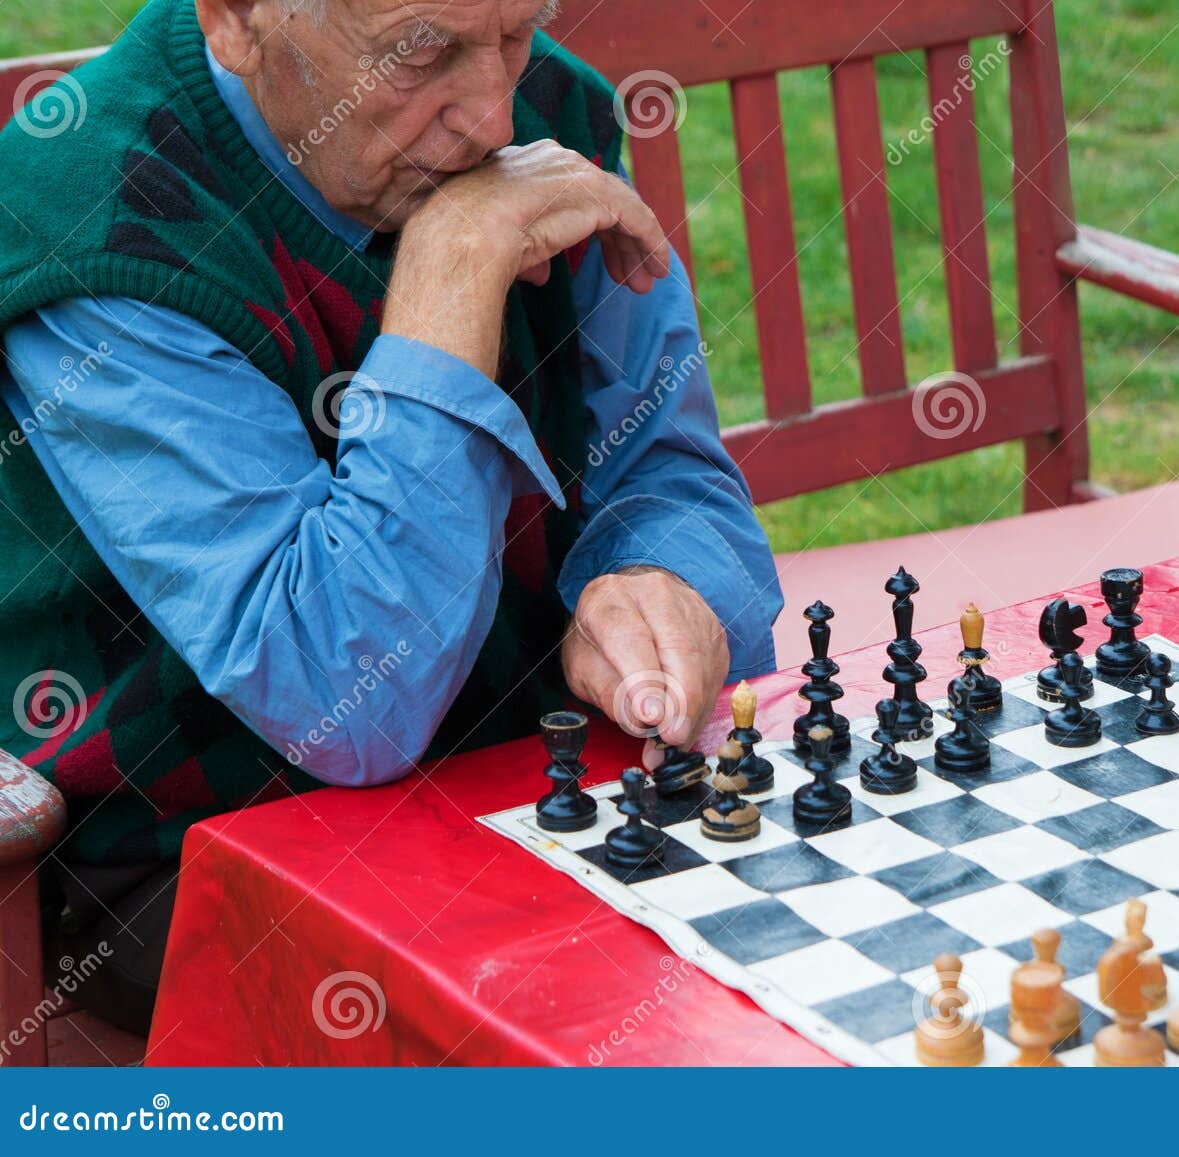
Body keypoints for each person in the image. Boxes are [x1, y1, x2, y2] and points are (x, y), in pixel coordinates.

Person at [0, 0, 781, 1033]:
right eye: (422, 52)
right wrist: (454, 269)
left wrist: (658, 570)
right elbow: (345, 696)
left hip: (527, 768)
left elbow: (664, 466)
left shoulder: (546, 111)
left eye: (516, 32)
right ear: (237, 19)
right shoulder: (99, 224)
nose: (497, 120)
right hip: (195, 848)